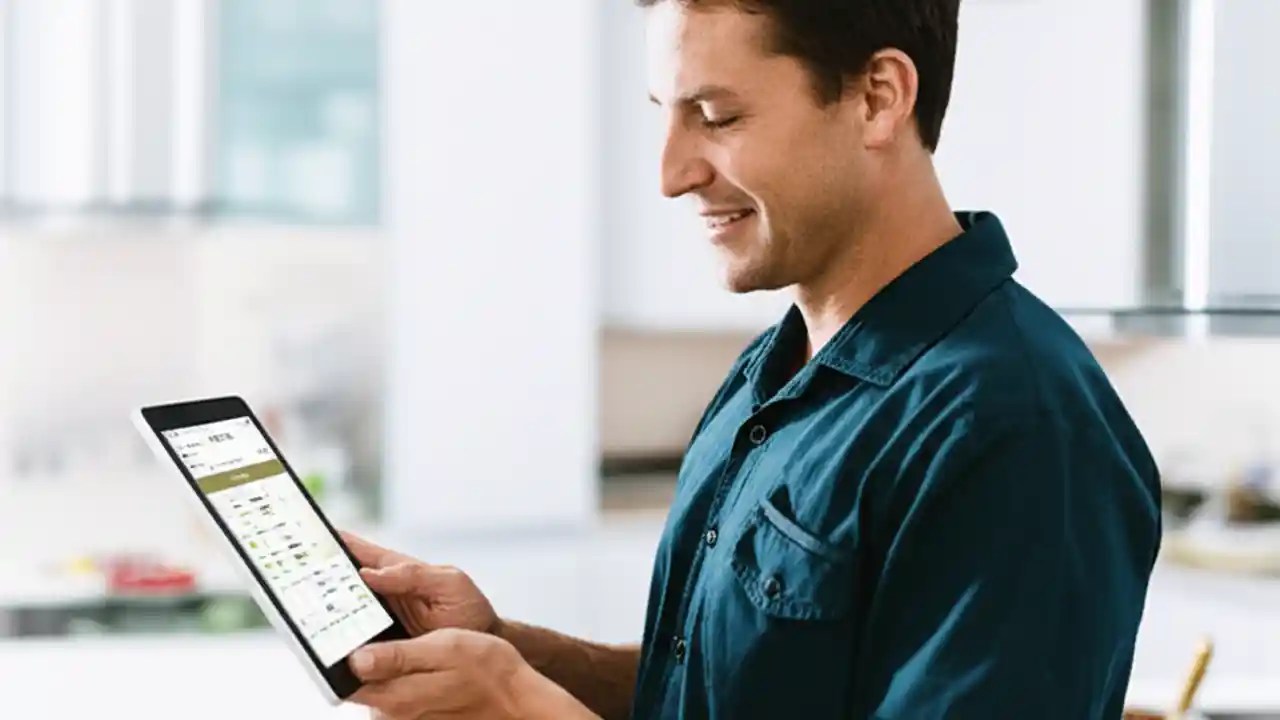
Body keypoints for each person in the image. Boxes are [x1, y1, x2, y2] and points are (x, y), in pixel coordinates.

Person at [342, 0, 1162, 717]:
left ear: (878, 98)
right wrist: (509, 654)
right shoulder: (776, 370)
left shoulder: (1015, 426)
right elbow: (727, 694)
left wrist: (520, 711)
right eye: (665, 112)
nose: (671, 174)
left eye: (717, 117)